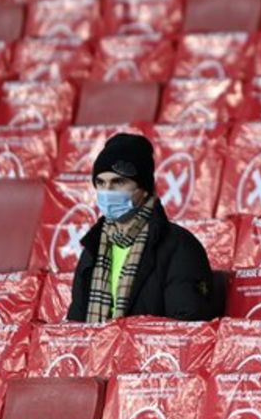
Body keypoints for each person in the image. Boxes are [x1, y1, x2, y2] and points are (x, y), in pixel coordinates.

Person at [67, 133, 215, 322]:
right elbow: (76, 325)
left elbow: (186, 326)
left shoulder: (179, 246)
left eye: (118, 182)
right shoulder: (93, 247)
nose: (107, 192)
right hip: (97, 342)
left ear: (144, 189)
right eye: (101, 183)